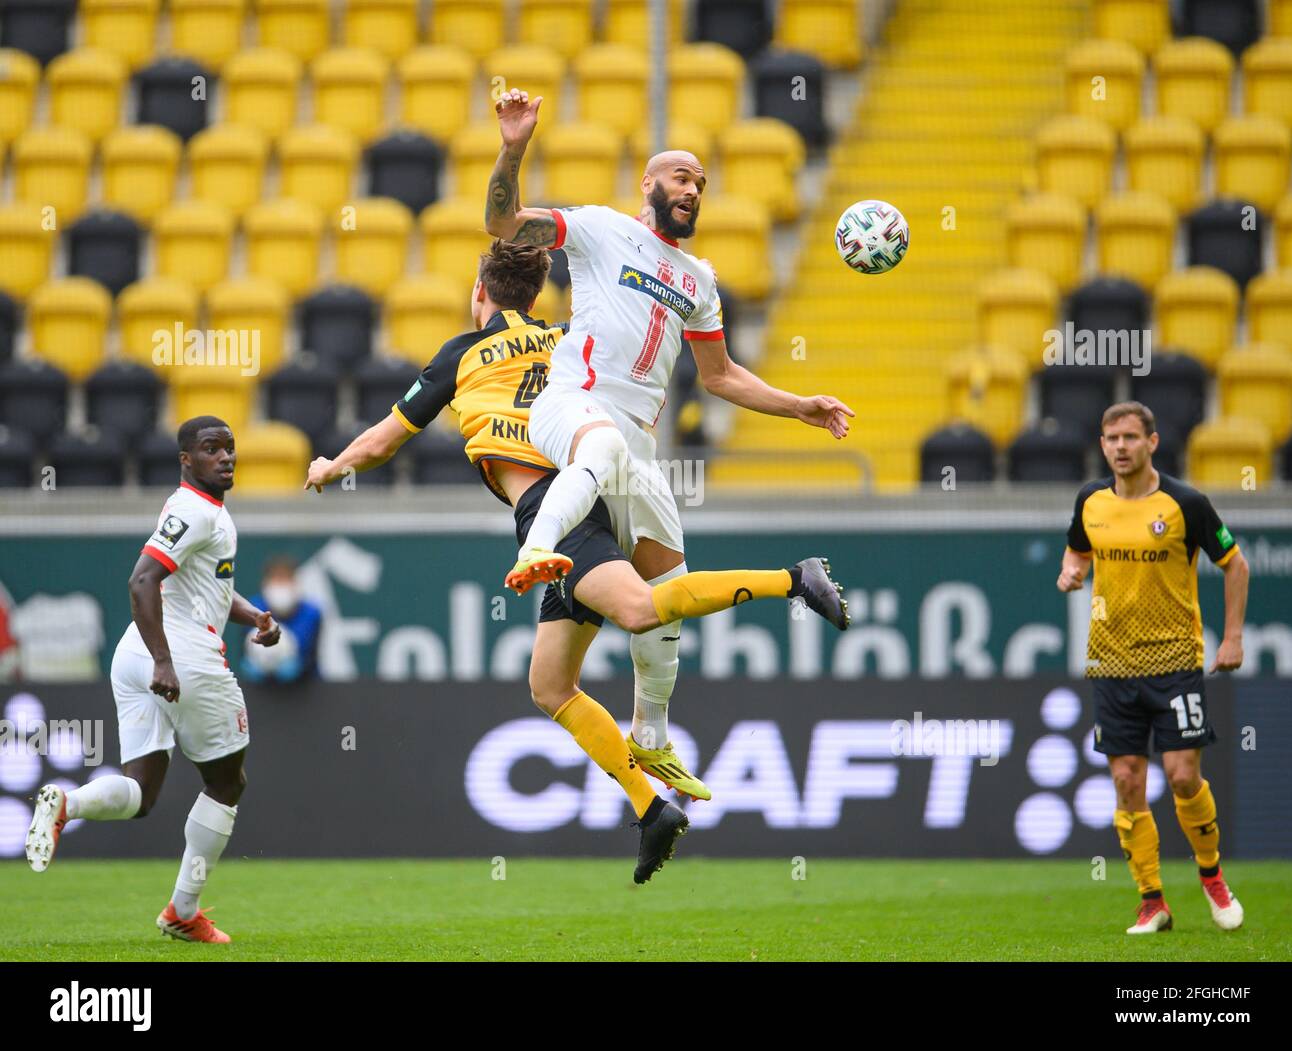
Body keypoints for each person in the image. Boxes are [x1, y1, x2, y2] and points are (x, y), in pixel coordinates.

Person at [305, 240, 850, 883]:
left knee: (641, 610)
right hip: (594, 480)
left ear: (479, 292)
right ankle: (651, 811)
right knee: (550, 685)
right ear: (536, 298)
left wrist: (332, 464)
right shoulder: (565, 340)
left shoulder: (461, 353)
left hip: (550, 510)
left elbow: (384, 440)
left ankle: (794, 578)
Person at [482, 88, 853, 789]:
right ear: (648, 184)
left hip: (637, 449)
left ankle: (650, 735)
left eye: (702, 184)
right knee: (603, 449)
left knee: (665, 605)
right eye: (682, 177)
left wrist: (797, 404)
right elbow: (502, 220)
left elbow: (721, 376)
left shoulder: (699, 282)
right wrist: (514, 145)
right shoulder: (596, 229)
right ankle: (537, 549)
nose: (693, 190)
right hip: (574, 405)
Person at [25, 416, 281, 943]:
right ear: (186, 459)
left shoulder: (198, 510)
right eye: (212, 449)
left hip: (134, 653)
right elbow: (142, 579)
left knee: (141, 794)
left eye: (230, 448)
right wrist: (165, 661)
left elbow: (203, 587)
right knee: (227, 783)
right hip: (180, 658)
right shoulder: (195, 510)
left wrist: (254, 615)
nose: (226, 457)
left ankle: (67, 805)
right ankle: (183, 911)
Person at [1058, 401, 1249, 935]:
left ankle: (1212, 879)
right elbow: (1077, 551)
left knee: (1184, 776)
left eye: (1130, 438)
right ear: (1102, 445)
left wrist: (1232, 637)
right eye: (1111, 438)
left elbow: (1235, 564)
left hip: (1175, 662)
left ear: (1152, 443)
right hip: (1111, 663)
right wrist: (1071, 572)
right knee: (1125, 780)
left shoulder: (1186, 503)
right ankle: (1152, 901)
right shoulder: (1090, 501)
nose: (1120, 447)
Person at [242, 555, 322, 684]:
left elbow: (312, 657)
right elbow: (244, 650)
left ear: (296, 582)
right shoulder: (252, 608)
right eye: (276, 579)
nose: (280, 584)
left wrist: (298, 667)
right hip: (259, 691)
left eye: (286, 579)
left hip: (302, 689)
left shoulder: (312, 613)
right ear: (265, 582)